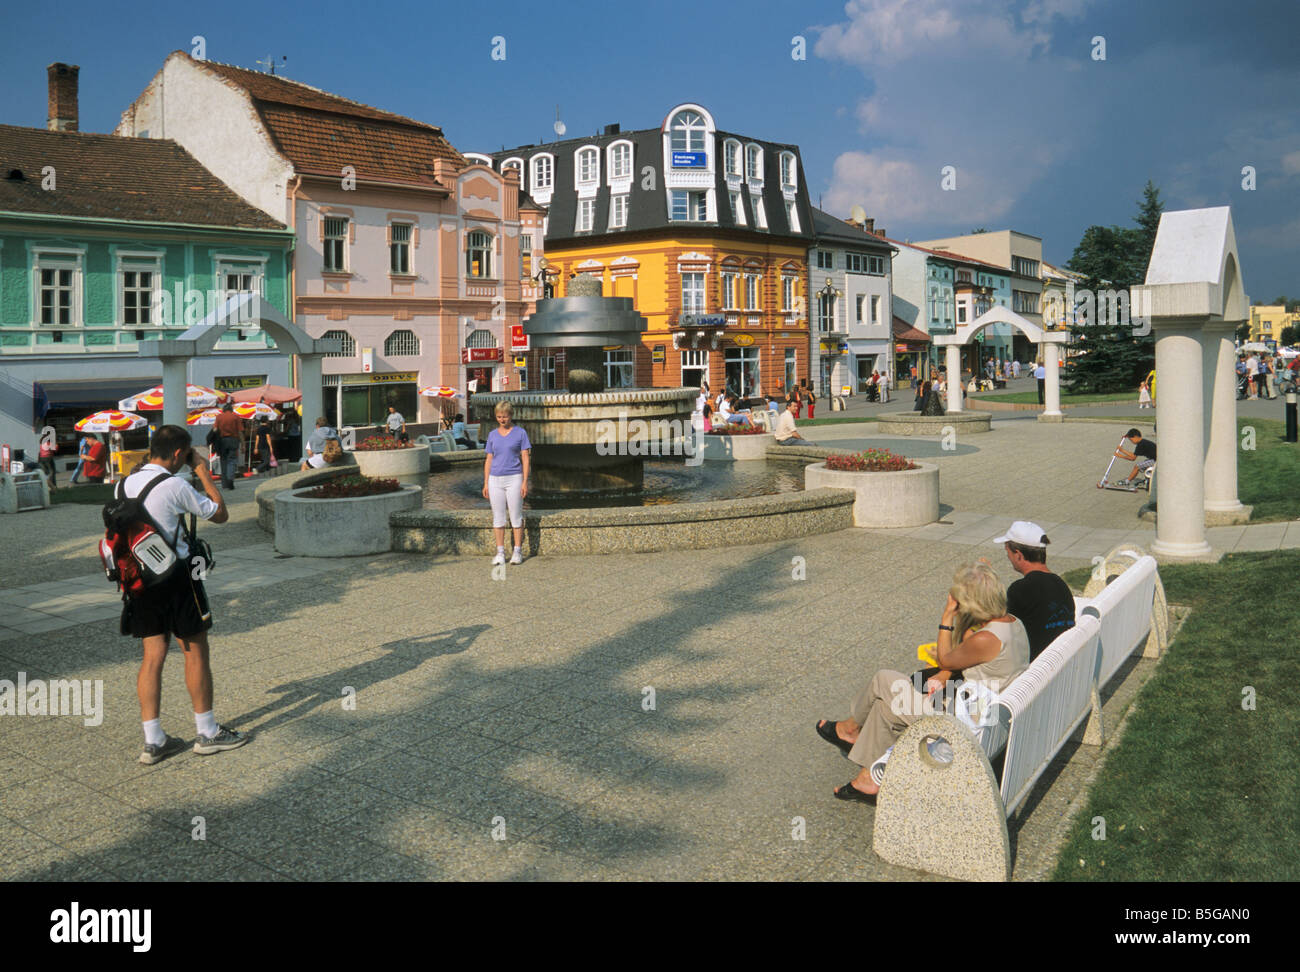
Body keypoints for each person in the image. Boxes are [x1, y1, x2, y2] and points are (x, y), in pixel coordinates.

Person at [816, 562, 1029, 802]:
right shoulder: (1012, 623)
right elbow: (960, 659)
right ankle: (868, 778)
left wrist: (947, 615)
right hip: (986, 712)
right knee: (885, 708)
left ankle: (850, 728)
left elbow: (945, 659)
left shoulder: (986, 638)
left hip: (965, 723)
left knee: (883, 679)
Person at [118, 424, 246, 763]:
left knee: (153, 655)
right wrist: (202, 471)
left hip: (140, 581)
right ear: (178, 453)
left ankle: (154, 740)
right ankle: (207, 732)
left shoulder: (123, 484)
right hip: (177, 580)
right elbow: (220, 514)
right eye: (185, 455)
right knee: (194, 650)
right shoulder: (174, 484)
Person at [994, 521, 1076, 661]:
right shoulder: (1060, 584)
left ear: (1018, 555)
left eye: (1007, 551)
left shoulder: (1021, 589)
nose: (1008, 556)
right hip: (1060, 662)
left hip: (1033, 671)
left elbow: (1001, 634)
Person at [483, 401, 531, 566]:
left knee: (516, 517)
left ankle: (517, 551)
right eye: (498, 417)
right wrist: (486, 483)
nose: (502, 419)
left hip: (514, 478)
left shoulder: (520, 433)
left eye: (504, 416)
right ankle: (500, 552)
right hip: (495, 479)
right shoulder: (492, 435)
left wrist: (525, 481)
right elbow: (489, 459)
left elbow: (525, 457)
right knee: (498, 518)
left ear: (511, 416)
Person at [213, 402, 243, 490]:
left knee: (223, 462)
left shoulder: (219, 417)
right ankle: (230, 480)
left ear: (224, 410)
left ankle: (224, 484)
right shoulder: (236, 417)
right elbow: (240, 432)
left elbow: (215, 429)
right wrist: (243, 444)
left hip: (222, 441)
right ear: (231, 410)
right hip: (233, 440)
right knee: (232, 461)